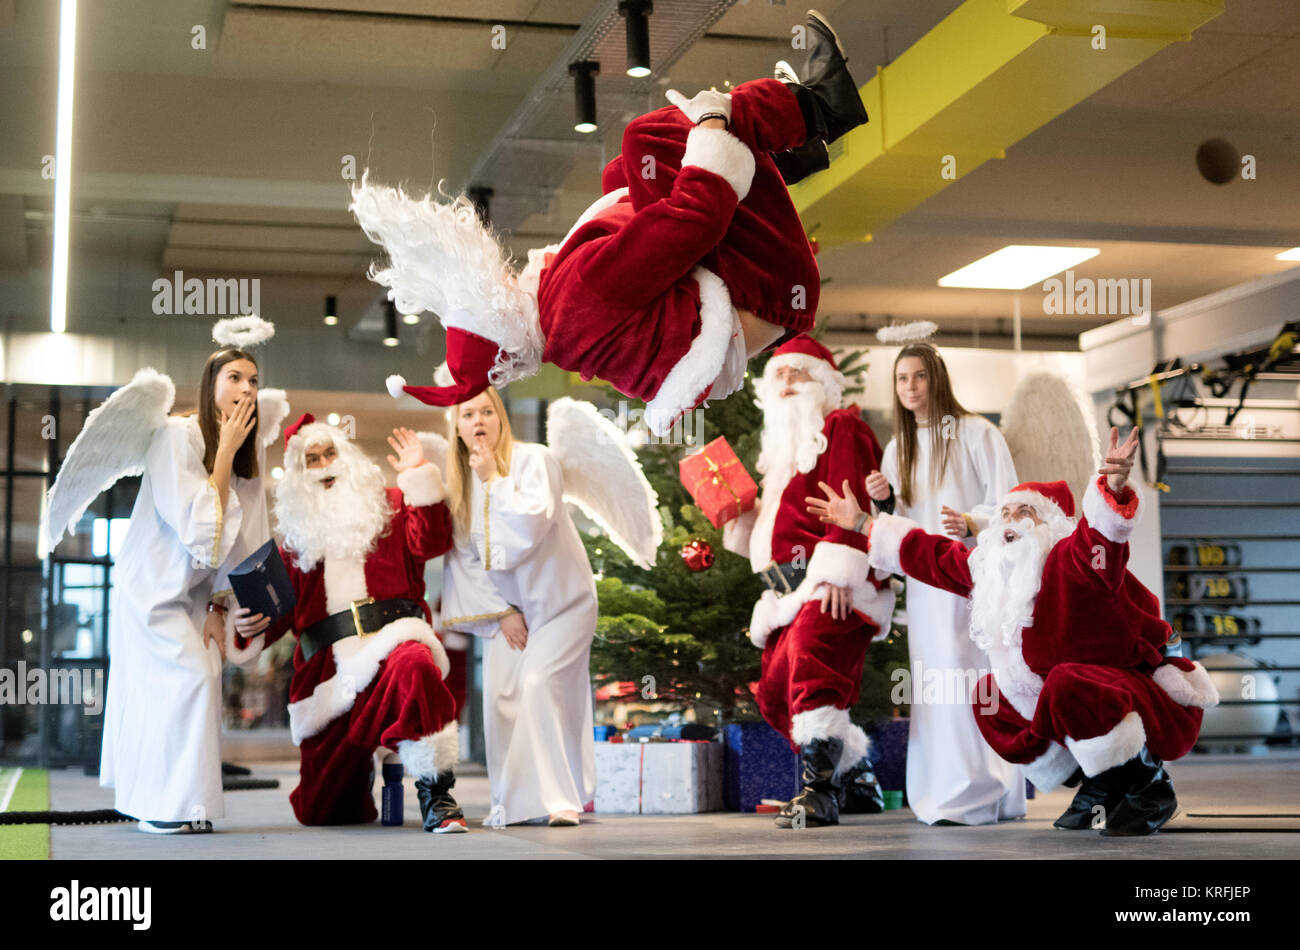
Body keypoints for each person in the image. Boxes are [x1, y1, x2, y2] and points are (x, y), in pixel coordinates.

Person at [365, 11, 871, 435]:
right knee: (647, 141)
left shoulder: (559, 318)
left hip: (750, 304)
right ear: (499, 315)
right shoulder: (577, 293)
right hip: (768, 290)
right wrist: (713, 125)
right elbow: (692, 222)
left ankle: (793, 155)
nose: (500, 273)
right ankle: (822, 104)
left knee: (621, 176)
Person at [809, 428, 1219, 836]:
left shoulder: (1071, 558)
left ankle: (1148, 783)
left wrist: (1112, 487)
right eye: (1004, 513)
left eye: (1024, 512)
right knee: (989, 696)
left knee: (1067, 681)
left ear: (1051, 524)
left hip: (1140, 694)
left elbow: (1104, 538)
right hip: (1070, 695)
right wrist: (863, 521)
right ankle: (1098, 779)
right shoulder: (991, 569)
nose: (1009, 522)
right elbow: (928, 554)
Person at [227, 415, 467, 832]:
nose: (324, 466)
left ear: (348, 457)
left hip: (394, 641)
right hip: (328, 678)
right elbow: (277, 614)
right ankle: (362, 768)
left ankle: (437, 792)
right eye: (312, 460)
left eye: (330, 453)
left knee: (415, 664)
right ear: (300, 476)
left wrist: (417, 475)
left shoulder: (391, 503)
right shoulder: (296, 541)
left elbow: (433, 542)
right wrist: (247, 628)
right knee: (323, 813)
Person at [100, 347, 279, 834]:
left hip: (196, 594)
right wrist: (221, 454)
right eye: (235, 377)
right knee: (189, 677)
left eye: (254, 380)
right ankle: (162, 806)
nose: (247, 389)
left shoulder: (252, 448)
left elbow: (248, 537)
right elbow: (200, 528)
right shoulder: (175, 437)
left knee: (204, 676)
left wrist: (226, 605)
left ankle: (187, 804)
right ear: (210, 385)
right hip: (151, 590)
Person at [720, 336, 895, 828]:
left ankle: (818, 795)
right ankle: (858, 779)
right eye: (778, 375)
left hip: (829, 585)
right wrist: (739, 515)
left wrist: (843, 570)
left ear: (824, 382)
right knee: (773, 694)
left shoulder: (841, 428)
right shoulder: (782, 452)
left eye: (799, 373)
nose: (788, 383)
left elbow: (852, 494)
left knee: (815, 675)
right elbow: (779, 526)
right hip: (784, 594)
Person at [866, 342, 1026, 825]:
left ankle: (982, 789)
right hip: (925, 586)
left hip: (972, 579)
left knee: (971, 677)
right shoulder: (899, 448)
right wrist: (885, 500)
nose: (910, 387)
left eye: (918, 376)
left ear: (936, 378)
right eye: (901, 379)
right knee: (934, 684)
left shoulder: (979, 432)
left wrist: (975, 523)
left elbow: (1013, 505)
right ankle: (942, 787)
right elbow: (901, 525)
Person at [437, 387, 598, 827]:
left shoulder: (535, 460)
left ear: (501, 418)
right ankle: (513, 801)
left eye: (487, 410)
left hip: (564, 604)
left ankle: (560, 798)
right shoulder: (459, 483)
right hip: (508, 613)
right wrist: (503, 611)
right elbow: (465, 561)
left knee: (539, 681)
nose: (478, 420)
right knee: (503, 698)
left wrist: (493, 479)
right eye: (468, 414)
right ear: (457, 425)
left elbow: (531, 524)